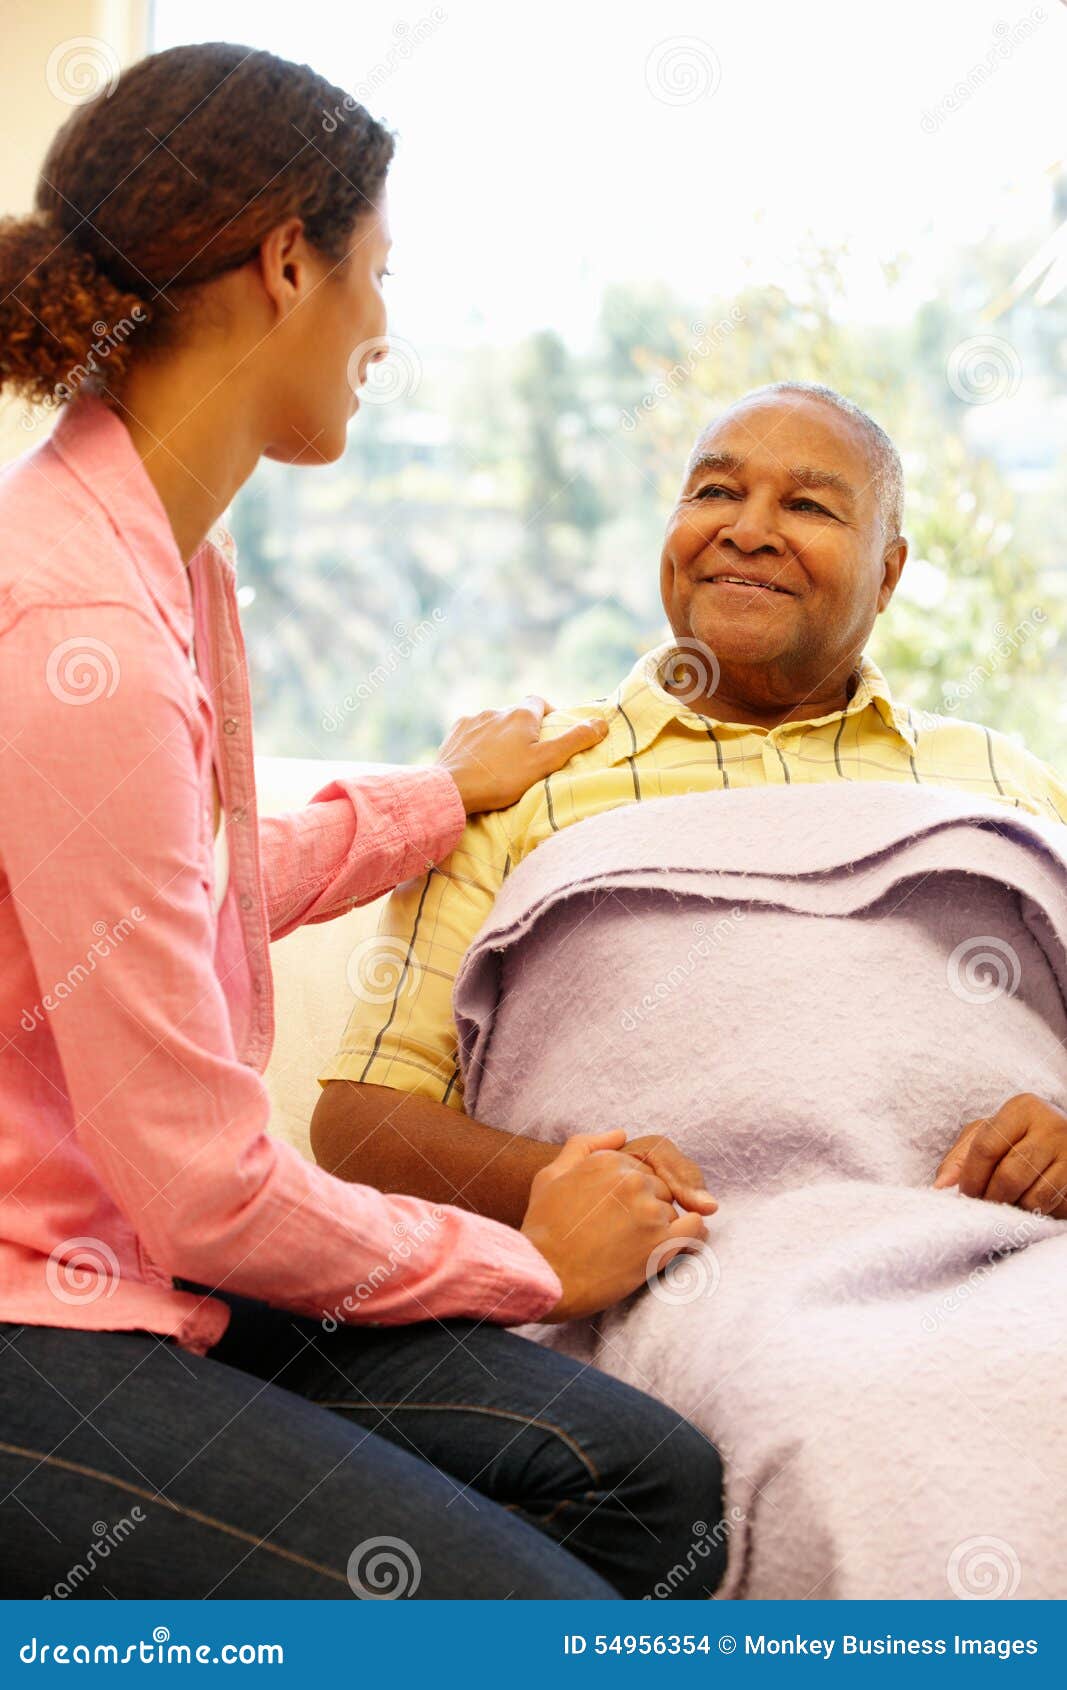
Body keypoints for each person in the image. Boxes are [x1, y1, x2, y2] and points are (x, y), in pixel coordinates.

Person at [0, 43, 725, 1600]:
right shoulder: (79, 631)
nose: (383, 330)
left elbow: (164, 893)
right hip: (34, 1313)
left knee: (644, 1478)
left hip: (127, 1259)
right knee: (540, 1614)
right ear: (284, 265)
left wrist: (429, 798)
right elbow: (206, 1185)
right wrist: (537, 1255)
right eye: (374, 274)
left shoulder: (160, 558)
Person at [313, 379, 1067, 1219]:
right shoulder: (522, 783)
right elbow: (364, 1127)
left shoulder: (1009, 785)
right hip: (656, 1280)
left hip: (999, 1266)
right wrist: (578, 1183)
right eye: (715, 492)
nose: (746, 532)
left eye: (809, 507)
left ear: (887, 574)